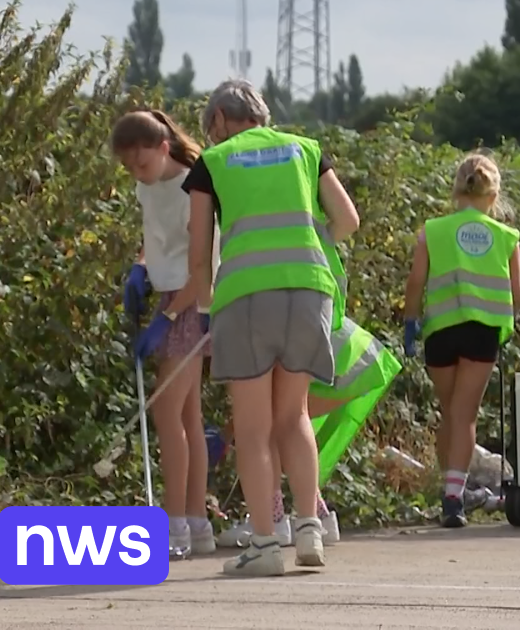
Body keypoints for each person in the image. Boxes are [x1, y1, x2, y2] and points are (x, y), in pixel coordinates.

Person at [182, 78, 360, 577]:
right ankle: (309, 530)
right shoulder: (305, 150)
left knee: (256, 429)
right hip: (308, 288)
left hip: (244, 295)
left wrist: (205, 310)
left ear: (218, 120)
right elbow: (348, 220)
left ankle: (263, 546)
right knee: (294, 416)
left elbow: (199, 252)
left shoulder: (213, 163)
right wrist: (310, 241)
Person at [111, 109, 216, 559]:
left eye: (142, 164)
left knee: (165, 414)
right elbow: (153, 236)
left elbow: (203, 265)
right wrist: (139, 269)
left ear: (163, 147)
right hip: (166, 292)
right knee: (188, 415)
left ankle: (173, 524)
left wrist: (167, 319)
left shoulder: (193, 187)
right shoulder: (147, 185)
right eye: (129, 168)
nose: (137, 174)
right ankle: (197, 522)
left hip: (192, 299)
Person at [402, 153, 520, 528]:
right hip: (482, 331)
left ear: (455, 191)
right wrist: (510, 322)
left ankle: (449, 486)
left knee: (449, 411)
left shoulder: (432, 231)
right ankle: (454, 496)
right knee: (465, 414)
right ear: (494, 195)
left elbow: (416, 283)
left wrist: (410, 322)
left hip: (441, 331)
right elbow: (517, 296)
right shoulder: (506, 237)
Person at [217, 319, 402, 548]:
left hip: (348, 366)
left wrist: (224, 435)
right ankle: (318, 518)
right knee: (286, 425)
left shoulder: (245, 321)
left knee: (274, 424)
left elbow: (255, 409)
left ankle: (272, 519)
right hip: (360, 360)